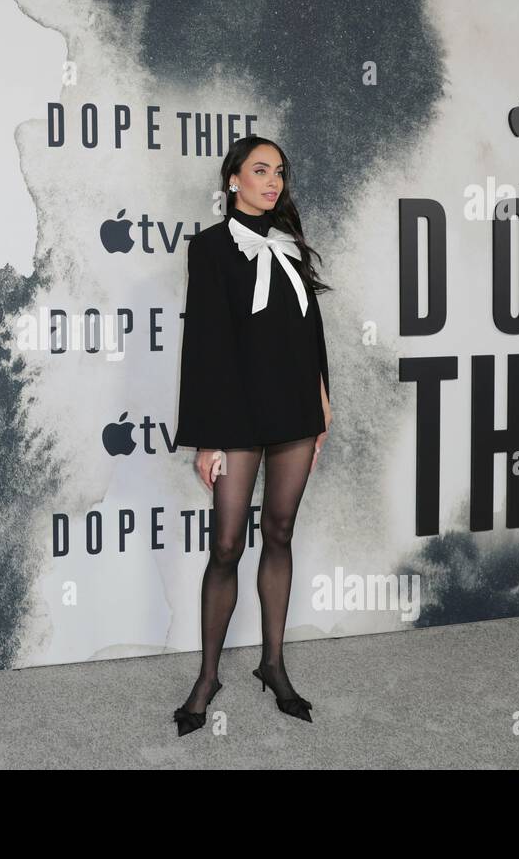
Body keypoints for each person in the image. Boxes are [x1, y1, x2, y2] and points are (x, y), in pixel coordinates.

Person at [171, 136, 333, 737]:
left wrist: (321, 396)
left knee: (282, 532)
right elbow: (206, 345)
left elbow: (308, 330)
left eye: (280, 173)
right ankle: (209, 676)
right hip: (236, 415)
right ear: (233, 179)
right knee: (227, 546)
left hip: (295, 409)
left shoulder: (290, 245)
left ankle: (272, 663)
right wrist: (207, 439)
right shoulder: (211, 248)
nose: (273, 182)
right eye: (261, 171)